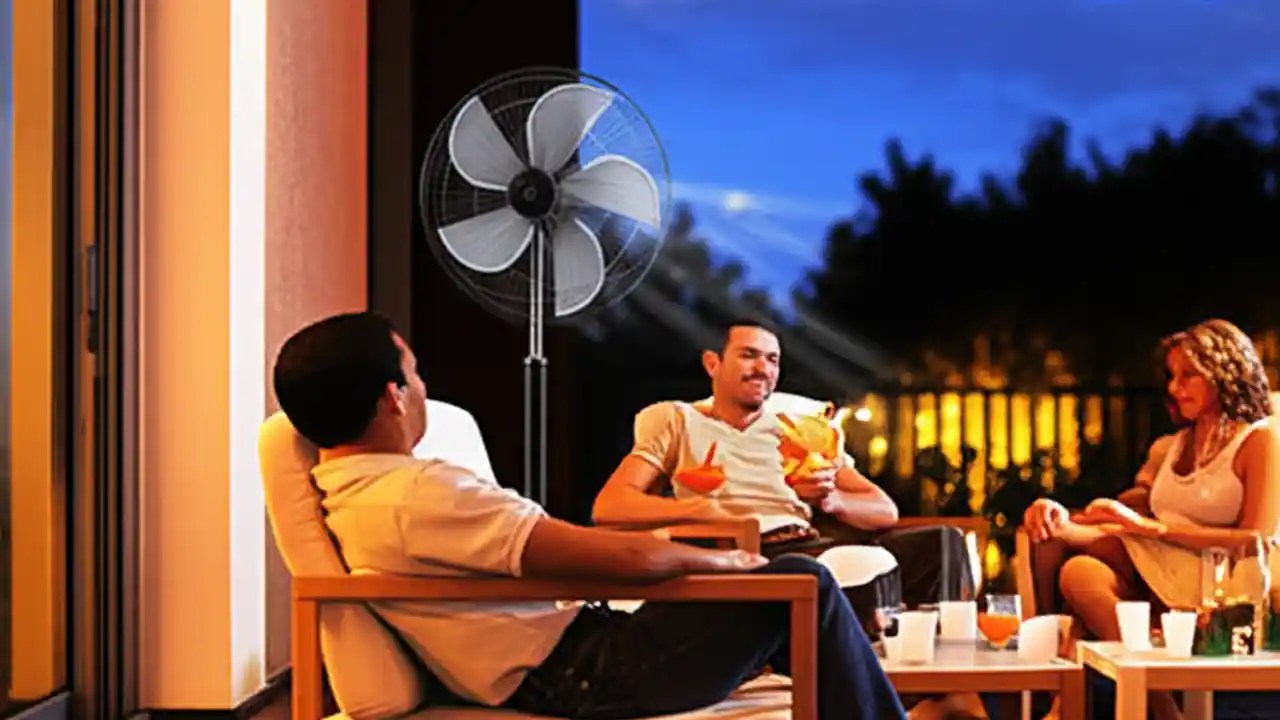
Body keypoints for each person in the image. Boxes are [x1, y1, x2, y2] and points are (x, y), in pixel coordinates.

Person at [272, 311, 905, 720]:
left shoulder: (355, 491)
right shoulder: (417, 496)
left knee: (788, 590)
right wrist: (725, 559)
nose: (422, 391)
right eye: (416, 375)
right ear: (393, 396)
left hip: (576, 653)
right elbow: (617, 554)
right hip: (583, 675)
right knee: (801, 581)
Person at [592, 319, 980, 720]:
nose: (763, 368)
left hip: (813, 545)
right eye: (749, 355)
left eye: (773, 359)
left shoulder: (798, 429)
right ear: (713, 364)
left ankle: (944, 692)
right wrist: (696, 510)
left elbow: (884, 510)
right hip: (744, 555)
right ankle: (844, 648)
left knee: (942, 543)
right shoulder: (677, 422)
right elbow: (611, 506)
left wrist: (831, 500)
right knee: (810, 575)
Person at [1024, 318, 1280, 720]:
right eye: (1172, 376)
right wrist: (1054, 513)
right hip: (1157, 567)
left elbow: (1258, 537)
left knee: (1096, 587)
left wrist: (1153, 529)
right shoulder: (1176, 445)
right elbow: (1124, 523)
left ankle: (1065, 708)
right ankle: (1161, 705)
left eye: (1189, 376)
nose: (1174, 388)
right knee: (1079, 573)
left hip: (1218, 580)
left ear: (1225, 374)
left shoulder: (1259, 441)